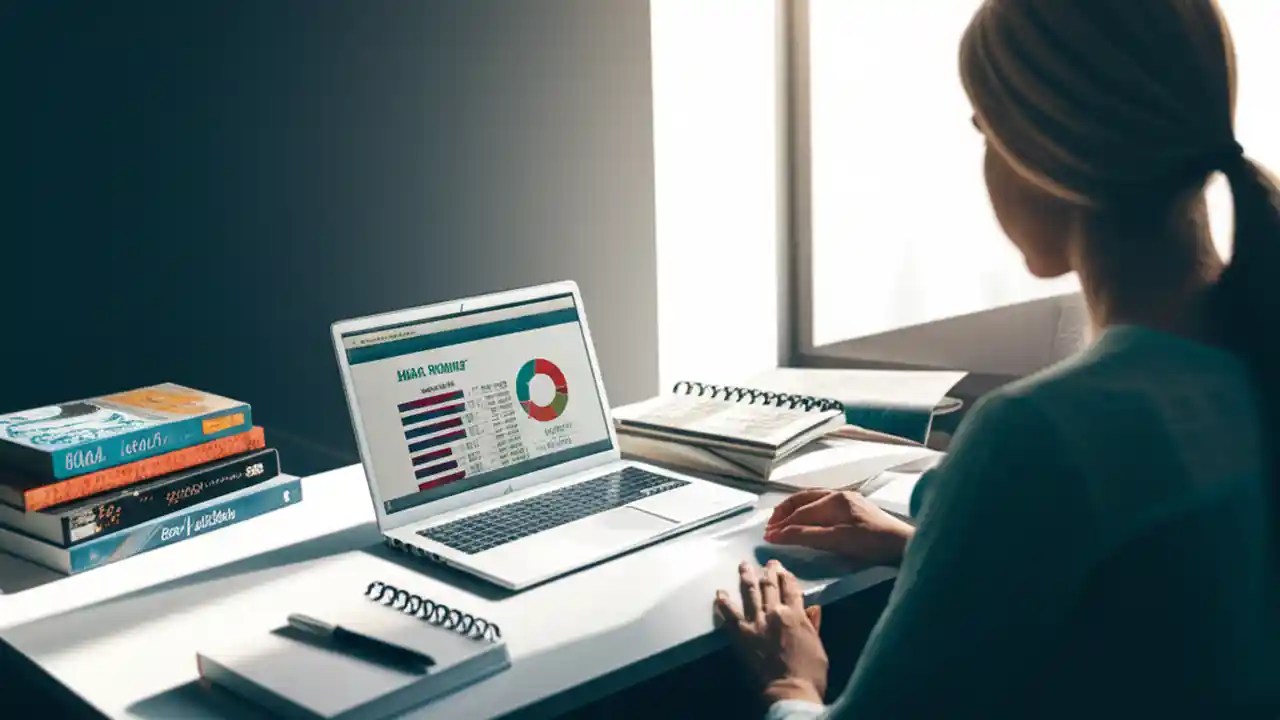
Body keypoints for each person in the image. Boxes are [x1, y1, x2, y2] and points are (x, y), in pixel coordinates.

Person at [713, 1, 1280, 717]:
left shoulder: (1040, 434)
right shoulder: (1248, 363)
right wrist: (937, 545)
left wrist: (789, 684)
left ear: (1043, 150)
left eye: (984, 130)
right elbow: (1158, 606)